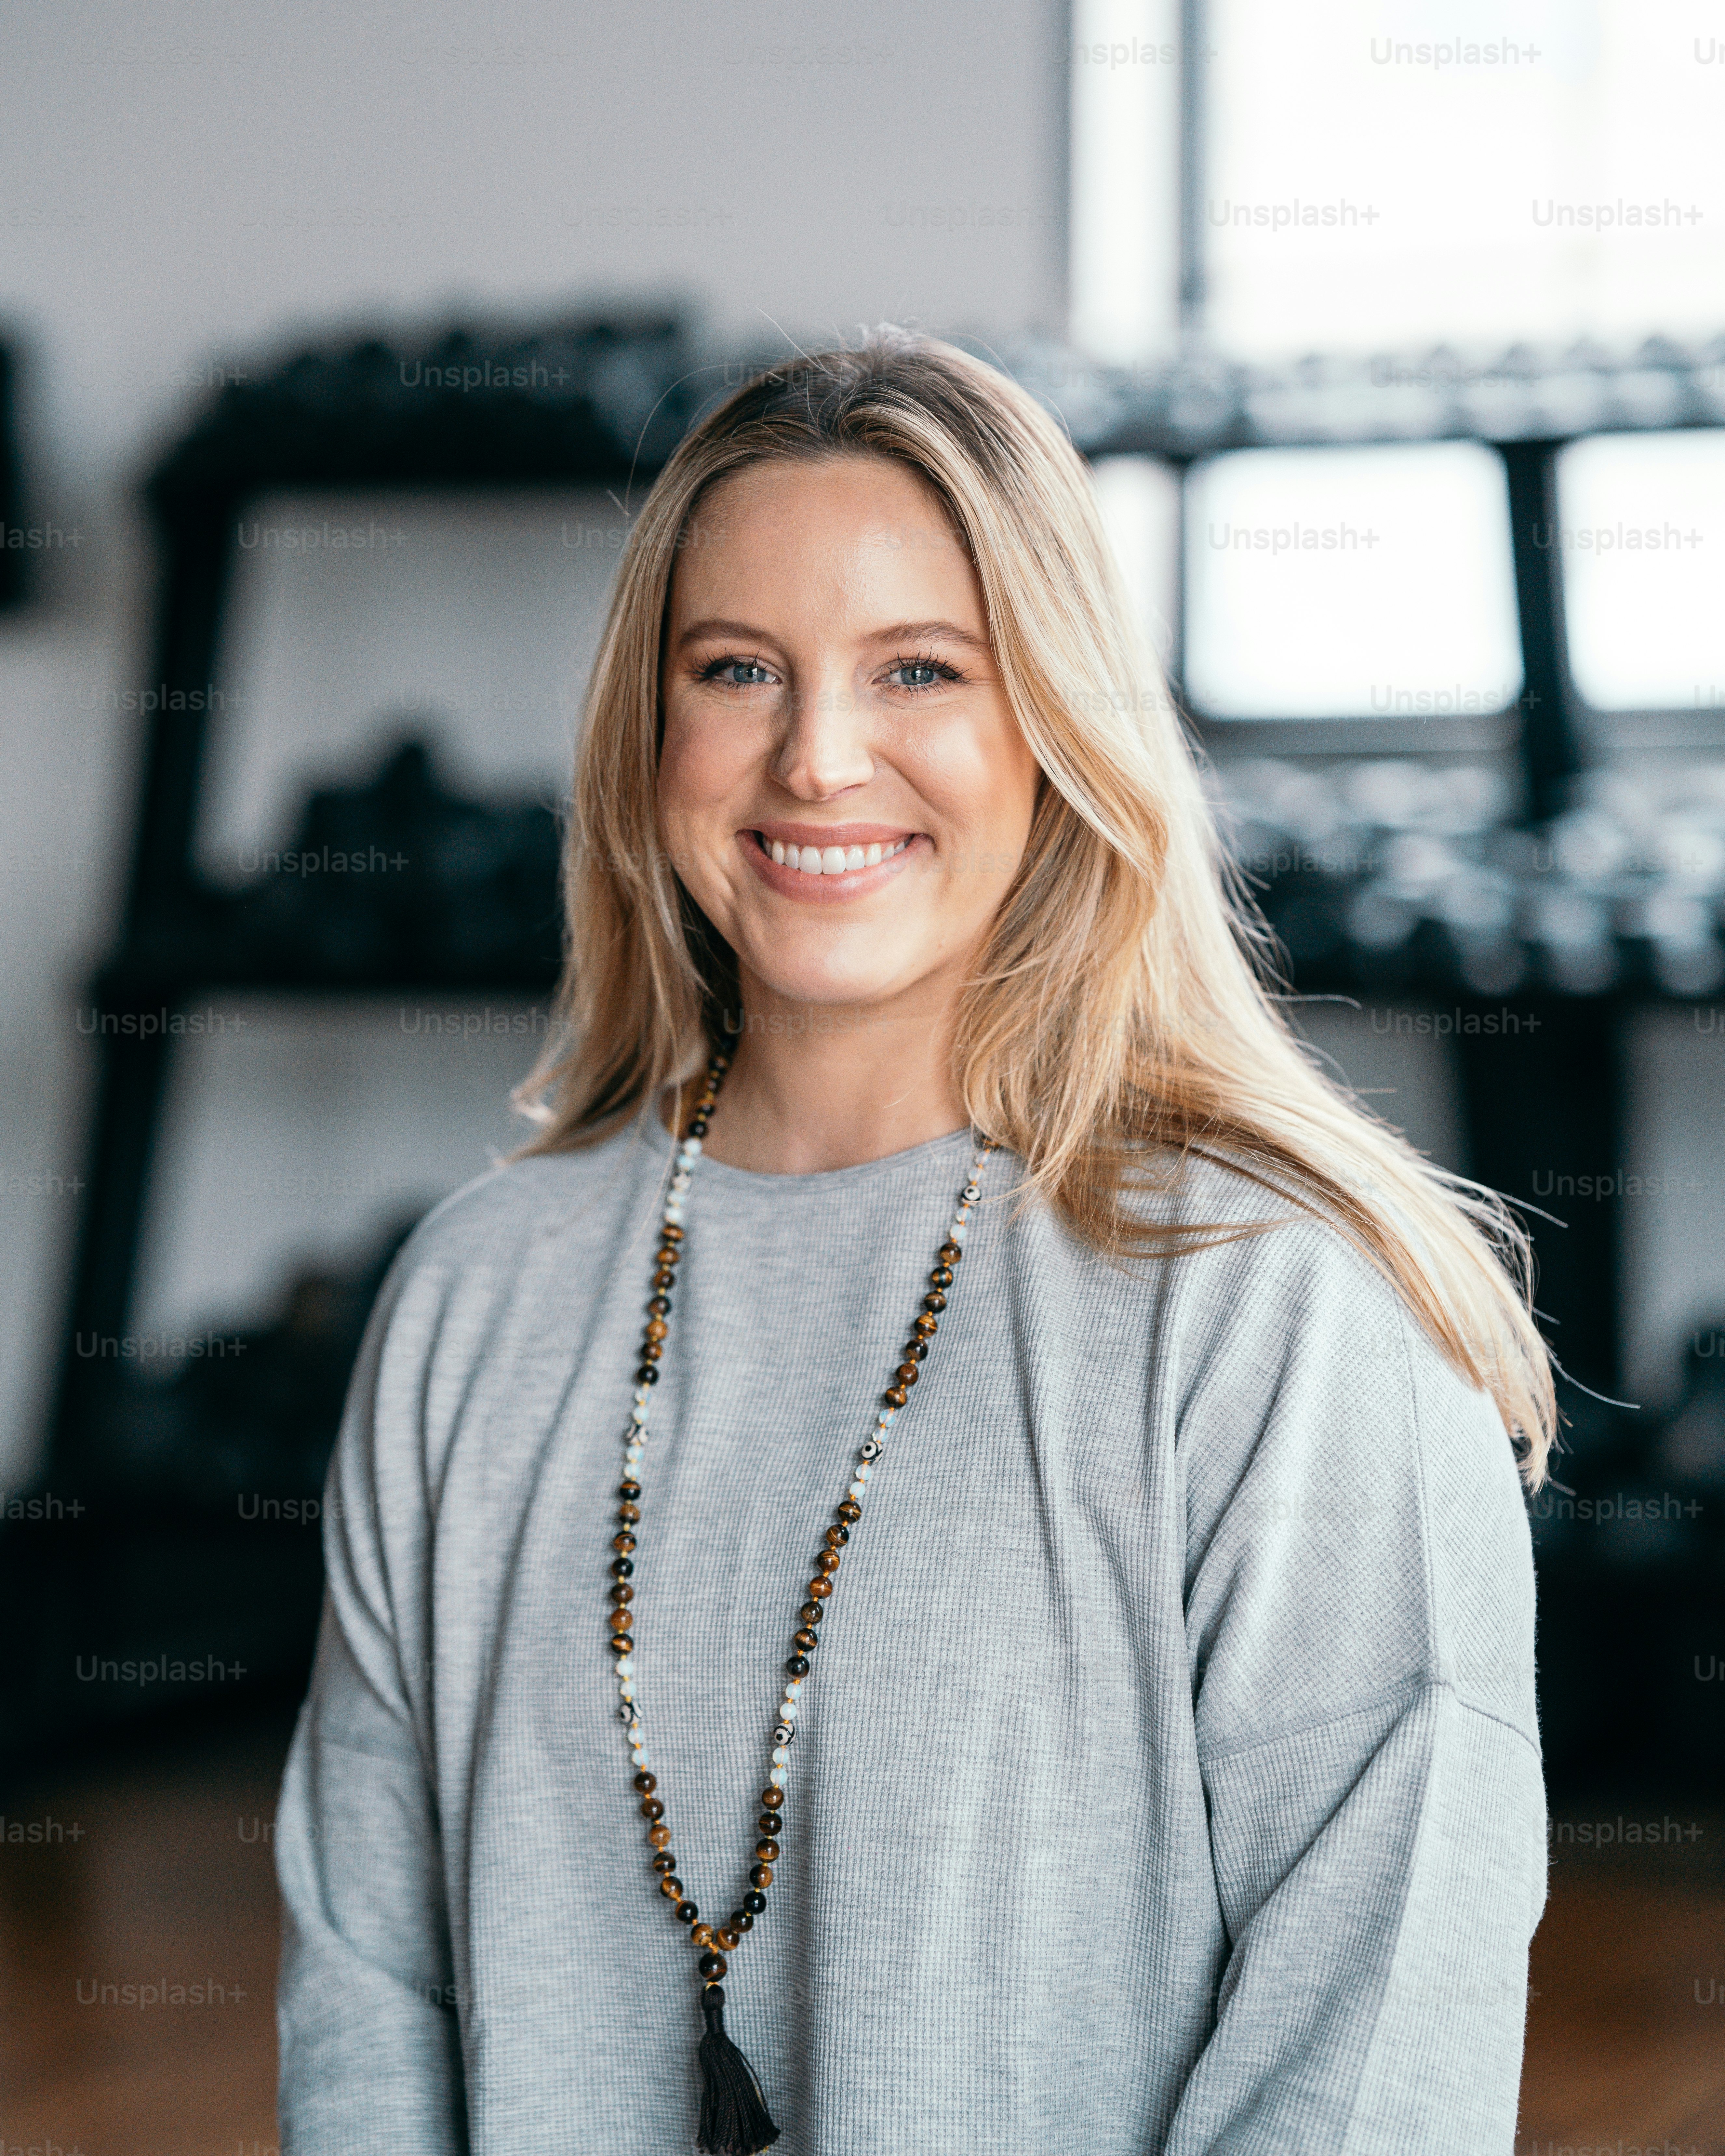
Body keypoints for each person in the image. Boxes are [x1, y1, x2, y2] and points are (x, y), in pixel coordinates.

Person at [274, 332, 1551, 2154]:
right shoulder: (473, 1298)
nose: (816, 757)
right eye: (737, 669)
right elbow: (367, 1987)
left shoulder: (1276, 1305)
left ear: (1054, 718)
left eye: (918, 670)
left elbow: (1372, 2044)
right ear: (651, 730)